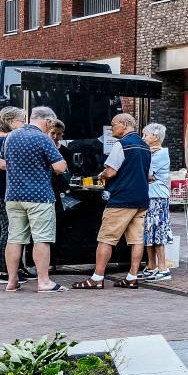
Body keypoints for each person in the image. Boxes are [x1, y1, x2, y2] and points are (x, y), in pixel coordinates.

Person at [73, 114, 152, 290]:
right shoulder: (145, 146)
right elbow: (149, 176)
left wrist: (101, 174)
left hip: (121, 198)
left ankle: (97, 277)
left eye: (113, 125)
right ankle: (132, 276)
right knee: (137, 240)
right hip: (141, 199)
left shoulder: (121, 145)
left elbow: (111, 172)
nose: (111, 129)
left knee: (106, 239)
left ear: (124, 125)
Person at [2, 107, 68, 293]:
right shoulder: (42, 138)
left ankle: (12, 281)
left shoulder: (10, 137)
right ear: (47, 122)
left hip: (13, 195)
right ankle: (44, 282)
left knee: (14, 238)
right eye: (51, 125)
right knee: (42, 239)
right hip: (39, 196)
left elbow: (3, 162)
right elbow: (60, 167)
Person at [139, 123, 173, 282]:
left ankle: (163, 268)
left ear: (155, 137)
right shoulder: (151, 152)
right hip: (150, 195)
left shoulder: (160, 154)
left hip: (157, 196)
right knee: (148, 232)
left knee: (158, 232)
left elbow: (148, 175)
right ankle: (151, 266)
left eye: (146, 135)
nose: (143, 138)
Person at [0, 106, 29, 284]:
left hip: (7, 190)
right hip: (3, 190)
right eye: (21, 120)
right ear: (11, 122)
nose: (24, 124)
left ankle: (15, 267)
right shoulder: (4, 140)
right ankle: (4, 270)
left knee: (11, 229)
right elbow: (3, 164)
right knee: (8, 229)